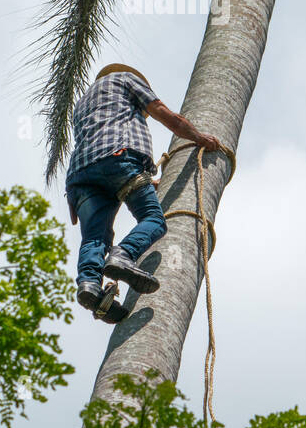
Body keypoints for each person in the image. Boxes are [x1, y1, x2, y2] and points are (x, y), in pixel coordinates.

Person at [65, 63, 220, 322]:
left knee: (94, 238)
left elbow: (93, 152)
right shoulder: (126, 79)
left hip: (80, 180)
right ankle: (123, 256)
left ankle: (89, 284)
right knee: (153, 220)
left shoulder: (81, 105)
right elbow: (164, 114)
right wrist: (199, 137)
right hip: (120, 158)